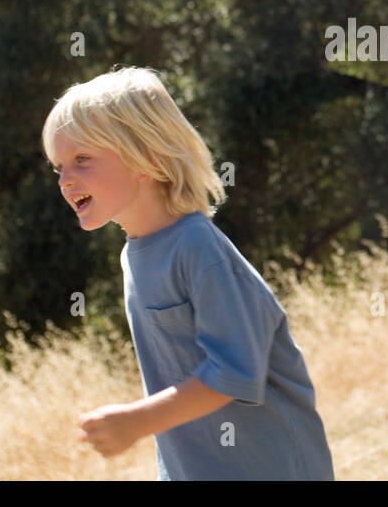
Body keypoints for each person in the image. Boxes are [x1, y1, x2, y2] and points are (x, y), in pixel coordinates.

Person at [42, 66, 334, 480]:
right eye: (58, 167)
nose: (65, 181)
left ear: (147, 159)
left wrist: (137, 421)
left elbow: (236, 370)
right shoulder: (134, 255)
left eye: (82, 160)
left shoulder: (197, 247)